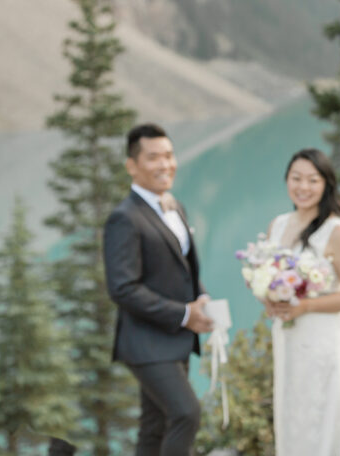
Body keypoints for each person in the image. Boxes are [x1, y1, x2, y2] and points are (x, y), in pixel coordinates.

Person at [103, 123, 214, 456]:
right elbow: (122, 288)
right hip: (145, 342)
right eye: (153, 158)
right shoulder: (124, 218)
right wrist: (183, 314)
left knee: (155, 426)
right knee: (186, 413)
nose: (165, 164)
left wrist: (200, 296)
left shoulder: (173, 205)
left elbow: (181, 268)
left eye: (168, 155)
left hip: (173, 340)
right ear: (132, 166)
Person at [264, 148, 340, 456]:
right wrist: (269, 300)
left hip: (323, 339)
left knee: (325, 419)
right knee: (292, 416)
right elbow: (272, 279)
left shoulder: (337, 231)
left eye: (313, 179)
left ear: (326, 184)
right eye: (296, 178)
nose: (303, 187)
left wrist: (305, 307)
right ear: (287, 180)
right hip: (287, 336)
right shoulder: (278, 225)